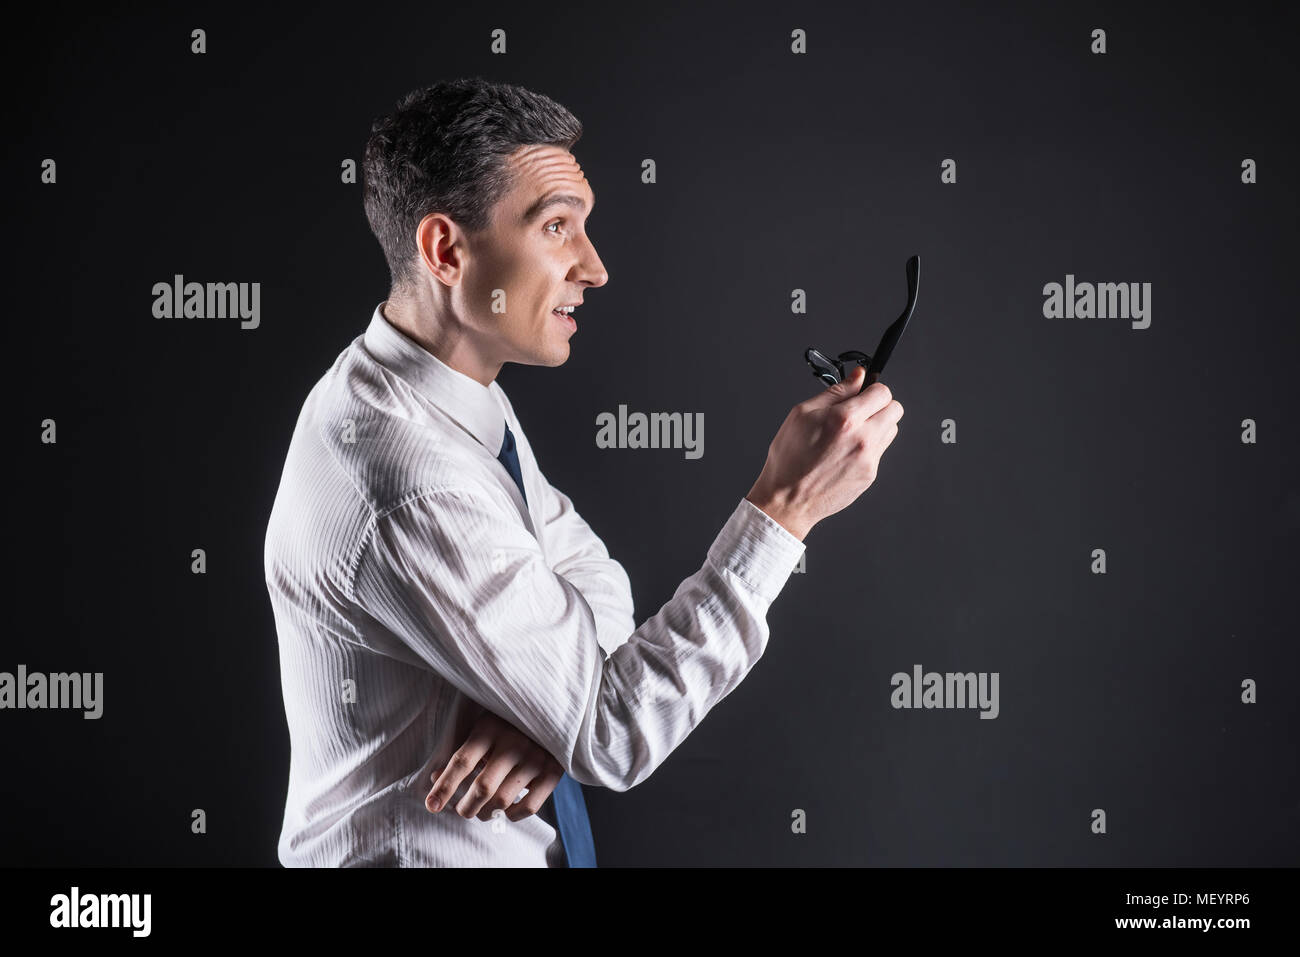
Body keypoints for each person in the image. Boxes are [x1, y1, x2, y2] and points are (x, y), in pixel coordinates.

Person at [263, 77, 904, 867]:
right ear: (445, 249)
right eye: (556, 226)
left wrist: (545, 714)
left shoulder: (445, 389)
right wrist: (784, 509)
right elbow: (615, 734)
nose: (594, 268)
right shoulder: (407, 475)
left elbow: (593, 573)